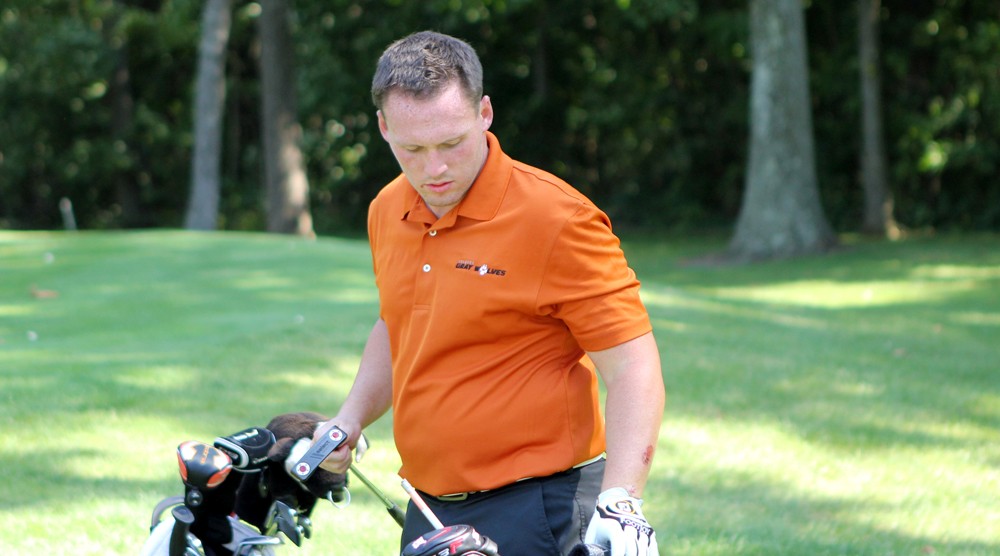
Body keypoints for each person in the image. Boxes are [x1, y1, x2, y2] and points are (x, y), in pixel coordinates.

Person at [315, 30, 664, 555]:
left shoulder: (558, 218)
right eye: (412, 149)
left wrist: (622, 499)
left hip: (540, 510)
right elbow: (399, 325)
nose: (434, 168)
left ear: (484, 113)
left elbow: (633, 365)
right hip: (430, 509)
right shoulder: (387, 208)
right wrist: (350, 418)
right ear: (384, 127)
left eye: (451, 143)